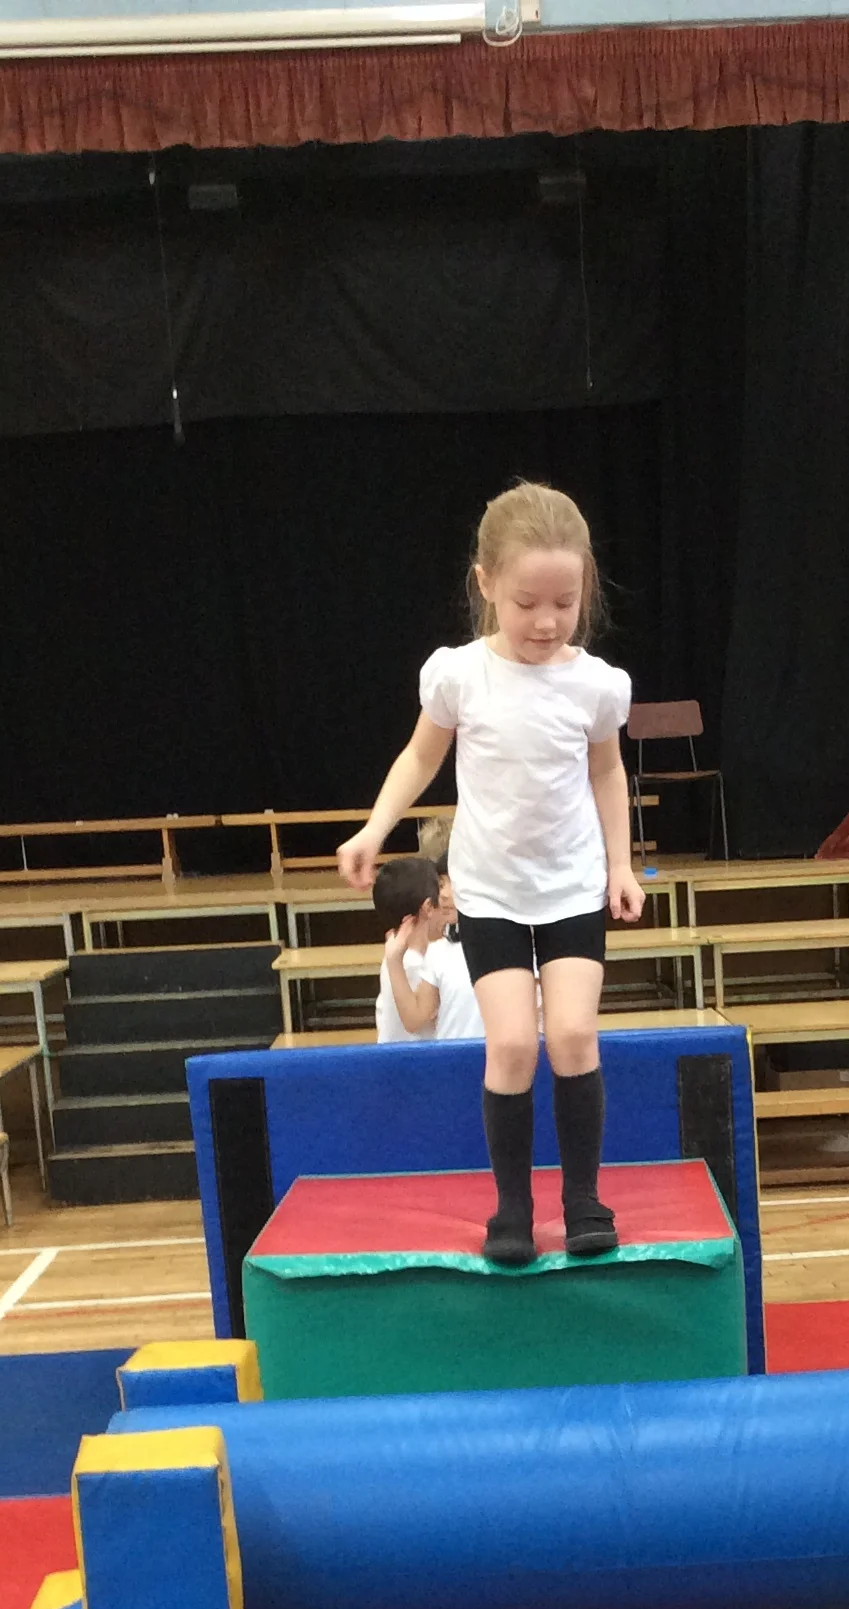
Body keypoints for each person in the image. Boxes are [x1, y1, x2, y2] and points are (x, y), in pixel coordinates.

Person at [337, 481, 642, 1264]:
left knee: (572, 1034)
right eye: (526, 603)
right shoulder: (461, 676)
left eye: (564, 603)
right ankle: (512, 1209)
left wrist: (620, 864)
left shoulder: (593, 685)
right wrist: (375, 828)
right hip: (493, 892)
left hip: (571, 886)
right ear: (486, 585)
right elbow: (419, 757)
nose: (546, 621)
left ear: (585, 587)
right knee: (510, 1046)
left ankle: (583, 1200)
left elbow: (607, 773)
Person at [372, 840, 482, 1044]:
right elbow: (415, 1019)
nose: (444, 895)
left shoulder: (434, 952)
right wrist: (394, 960)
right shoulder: (433, 955)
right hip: (436, 1057)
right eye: (441, 885)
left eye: (453, 882)